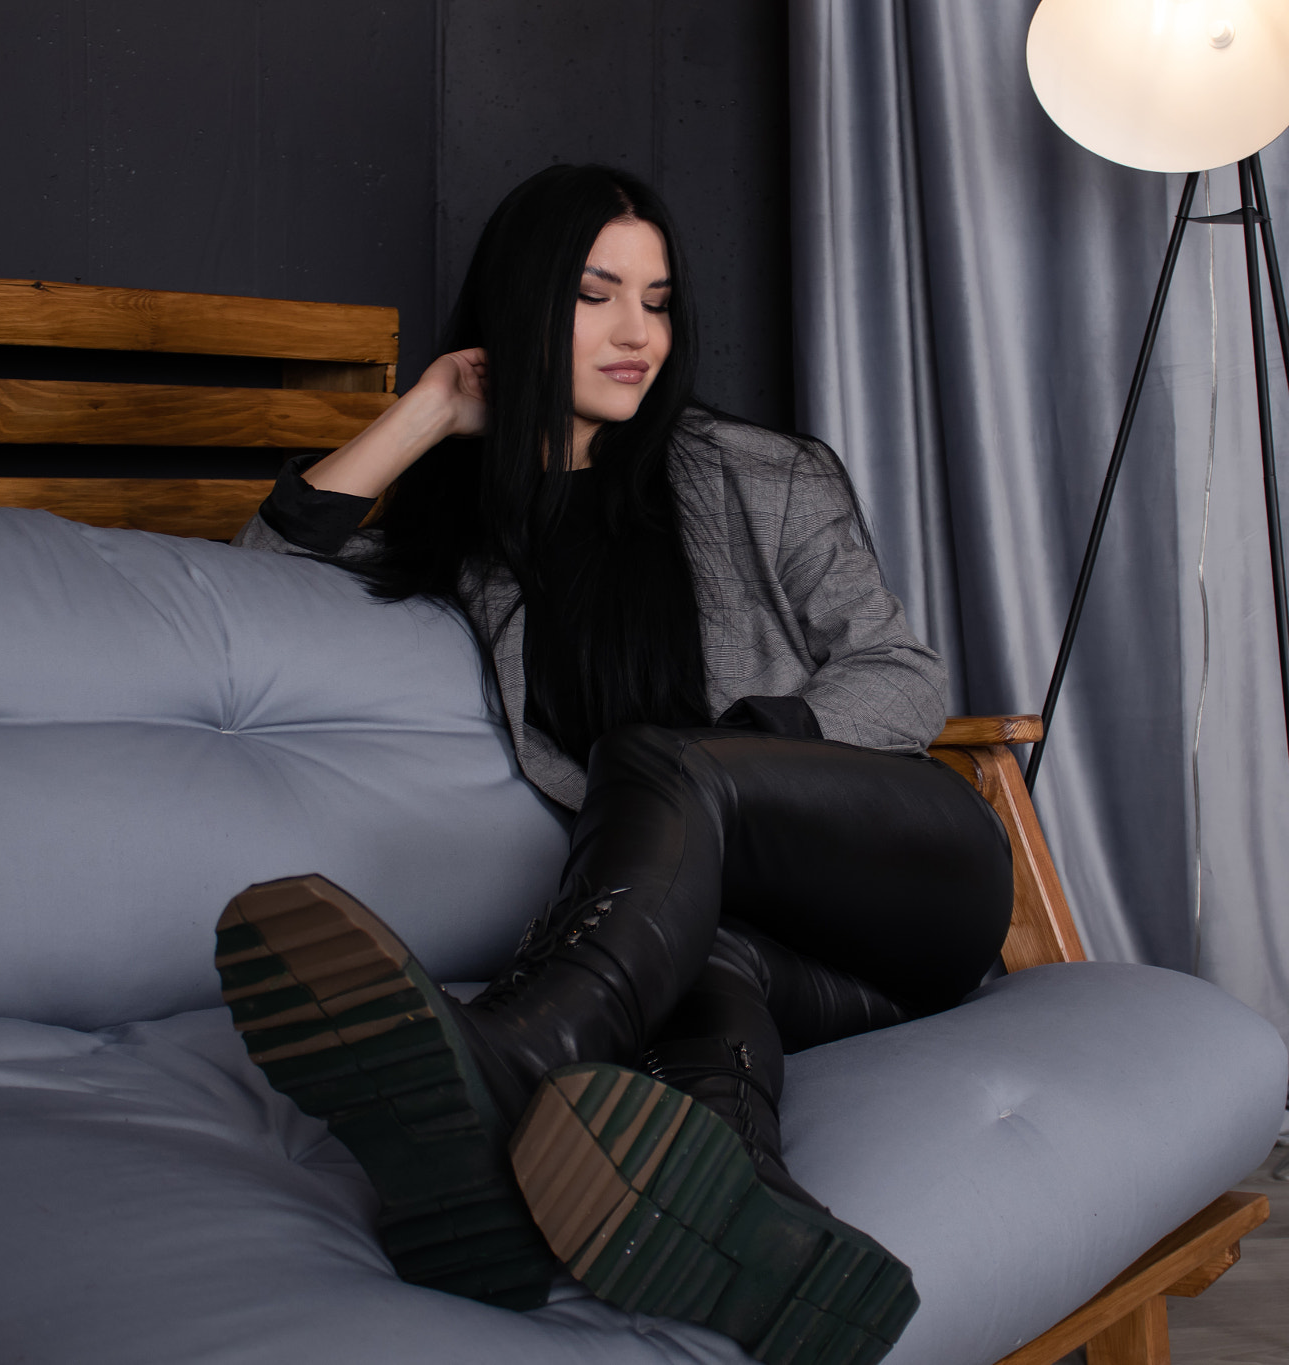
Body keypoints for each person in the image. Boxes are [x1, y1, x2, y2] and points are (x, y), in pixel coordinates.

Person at [217, 164, 1012, 1365]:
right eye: (596, 296)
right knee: (698, 973)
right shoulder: (469, 531)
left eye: (657, 298)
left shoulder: (763, 477)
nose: (639, 333)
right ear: (521, 308)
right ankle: (763, 1230)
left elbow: (906, 678)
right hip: (765, 955)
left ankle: (515, 1050)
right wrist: (426, 413)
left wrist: (732, 753)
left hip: (908, 885)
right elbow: (244, 588)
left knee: (660, 764)